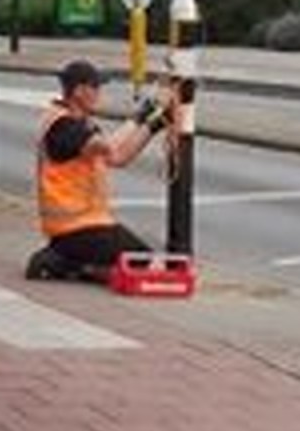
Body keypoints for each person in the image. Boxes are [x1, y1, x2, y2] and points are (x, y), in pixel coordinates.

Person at [23, 59, 182, 283]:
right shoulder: (64, 126)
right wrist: (143, 113)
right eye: (96, 87)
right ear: (79, 91)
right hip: (74, 228)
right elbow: (110, 147)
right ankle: (63, 260)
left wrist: (155, 125)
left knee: (138, 260)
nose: (99, 94)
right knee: (141, 261)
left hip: (89, 224)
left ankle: (72, 262)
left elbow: (118, 158)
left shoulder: (83, 124)